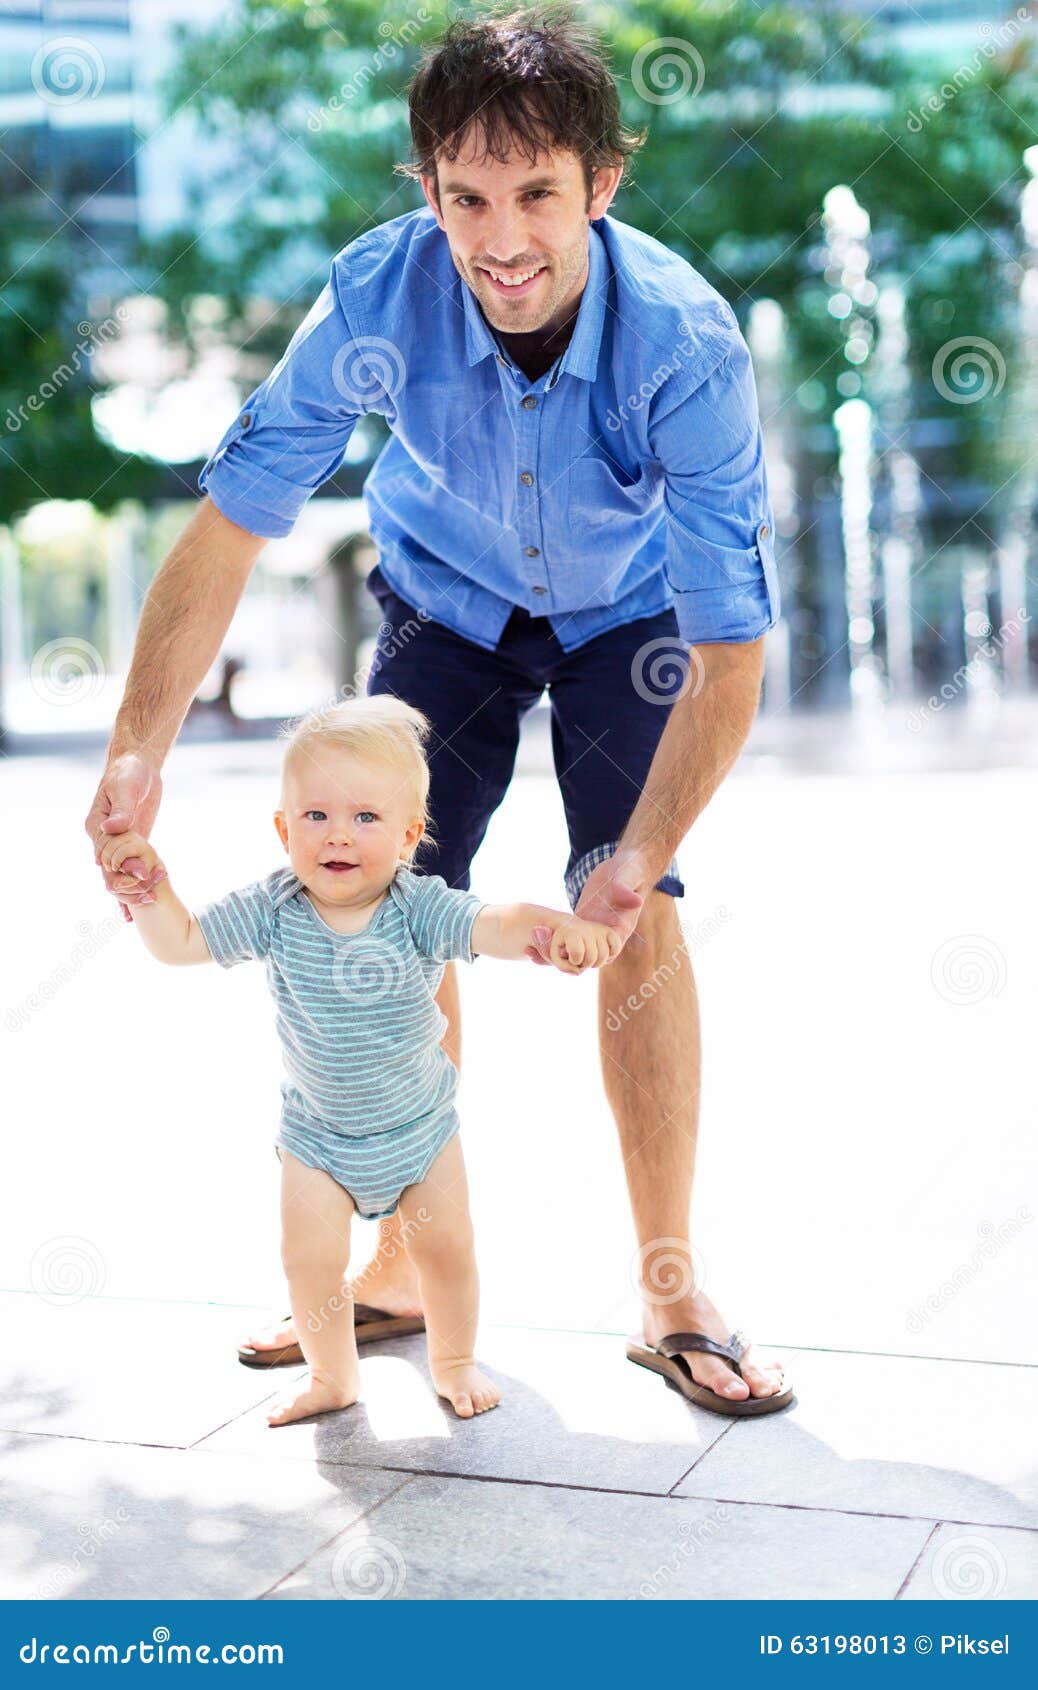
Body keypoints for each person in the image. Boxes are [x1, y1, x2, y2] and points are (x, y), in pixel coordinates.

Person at [87, 5, 793, 1417]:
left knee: (635, 902)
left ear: (603, 182)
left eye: (536, 192)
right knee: (378, 893)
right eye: (465, 197)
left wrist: (633, 852)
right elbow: (230, 527)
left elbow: (727, 658)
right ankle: (406, 1258)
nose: (500, 237)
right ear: (426, 192)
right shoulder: (374, 299)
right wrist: (134, 748)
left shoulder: (686, 347)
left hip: (627, 616)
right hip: (445, 601)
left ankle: (669, 1288)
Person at [97, 695, 621, 1426]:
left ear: (409, 836)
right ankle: (332, 1377)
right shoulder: (273, 908)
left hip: (420, 1131)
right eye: (316, 816)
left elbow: (495, 924)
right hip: (317, 1140)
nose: (338, 835)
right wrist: (152, 890)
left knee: (447, 1252)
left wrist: (554, 930)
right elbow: (180, 943)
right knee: (308, 1264)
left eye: (366, 818)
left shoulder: (419, 907)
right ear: (284, 829)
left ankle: (454, 1359)